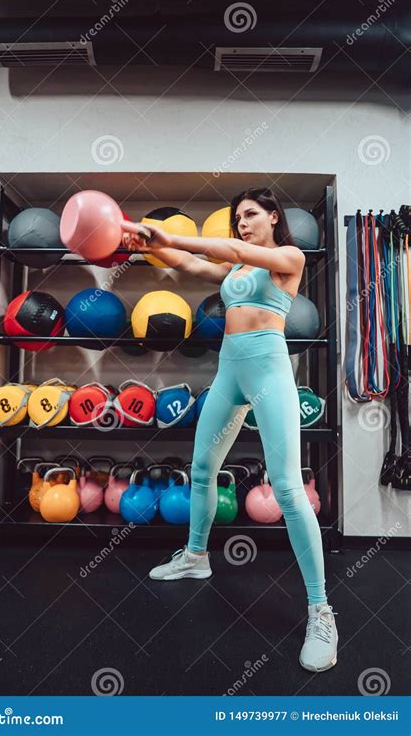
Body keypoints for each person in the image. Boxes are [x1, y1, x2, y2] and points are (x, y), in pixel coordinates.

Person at [122, 187, 338, 673]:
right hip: (229, 374)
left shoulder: (287, 256)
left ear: (273, 217)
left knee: (286, 487)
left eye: (250, 215)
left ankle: (321, 609)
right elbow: (194, 266)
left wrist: (172, 236)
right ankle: (196, 556)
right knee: (202, 468)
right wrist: (151, 246)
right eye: (237, 217)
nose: (241, 223)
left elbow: (236, 251)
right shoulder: (237, 272)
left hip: (270, 373)